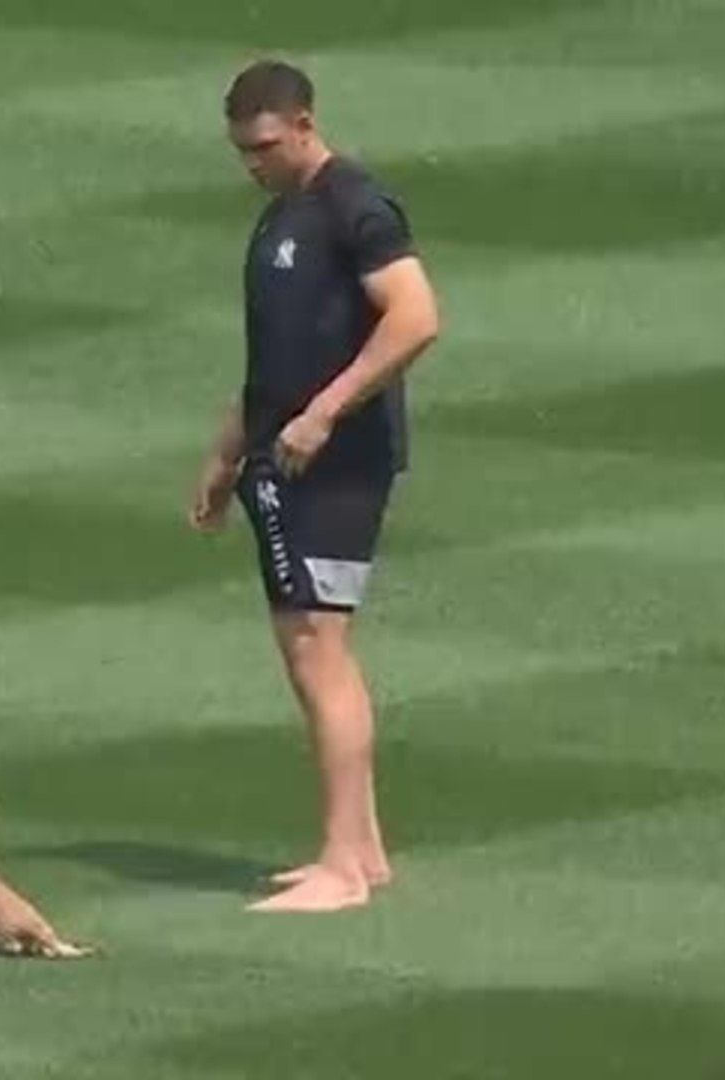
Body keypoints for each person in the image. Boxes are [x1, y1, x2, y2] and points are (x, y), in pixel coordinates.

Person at [188, 59, 442, 913]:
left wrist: (326, 413)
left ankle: (340, 866)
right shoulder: (279, 220)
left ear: (302, 124)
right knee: (308, 651)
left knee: (317, 651)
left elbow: (415, 316)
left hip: (332, 465)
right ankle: (360, 852)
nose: (251, 164)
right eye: (240, 151)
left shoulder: (352, 206)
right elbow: (272, 365)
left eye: (263, 146)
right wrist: (225, 457)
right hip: (279, 460)